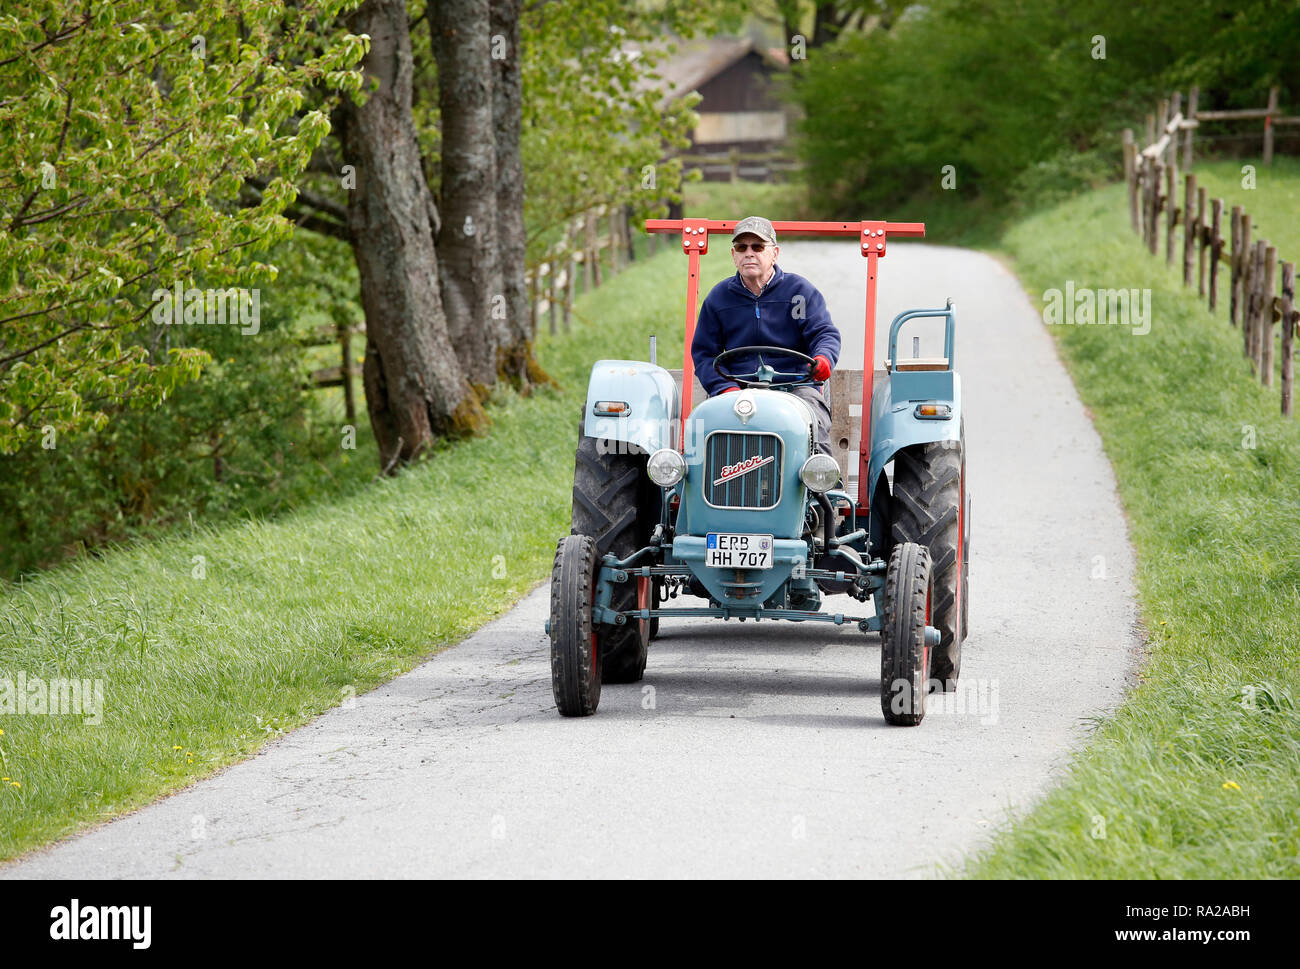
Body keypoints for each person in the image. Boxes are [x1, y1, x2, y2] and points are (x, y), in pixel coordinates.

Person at [691, 215, 838, 455]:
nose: (749, 253)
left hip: (795, 385)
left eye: (757, 246)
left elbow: (824, 332)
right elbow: (704, 354)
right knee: (707, 425)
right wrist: (724, 387)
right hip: (738, 387)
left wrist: (823, 358)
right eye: (742, 247)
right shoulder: (719, 299)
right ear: (733, 255)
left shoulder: (799, 292)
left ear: (775, 253)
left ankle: (823, 483)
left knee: (813, 426)